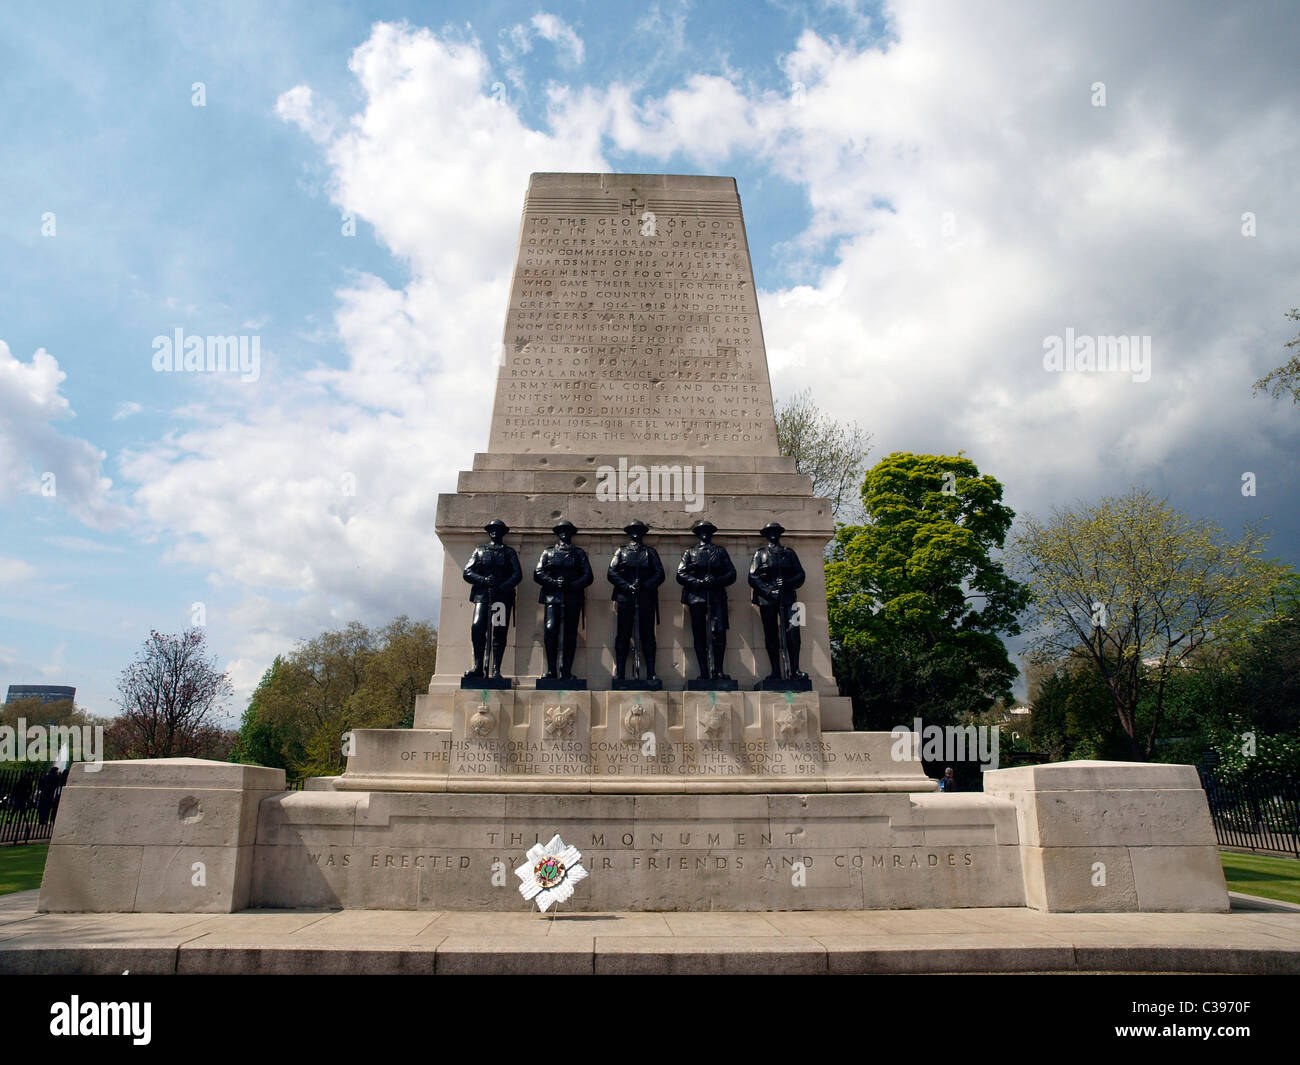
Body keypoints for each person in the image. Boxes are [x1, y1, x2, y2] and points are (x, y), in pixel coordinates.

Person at [676, 519, 737, 684]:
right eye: (701, 530)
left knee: (719, 633)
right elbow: (680, 574)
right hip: (696, 597)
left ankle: (718, 670)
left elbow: (731, 573)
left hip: (716, 595)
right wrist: (699, 582)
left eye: (708, 530)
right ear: (697, 533)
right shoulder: (690, 552)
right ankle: (703, 671)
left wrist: (716, 580)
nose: (705, 533)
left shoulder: (720, 551)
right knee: (699, 634)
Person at [461, 518, 523, 681]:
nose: (495, 531)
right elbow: (468, 572)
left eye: (498, 529)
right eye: (492, 529)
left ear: (503, 532)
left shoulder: (509, 552)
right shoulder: (480, 550)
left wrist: (503, 586)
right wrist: (483, 580)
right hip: (483, 596)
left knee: (499, 631)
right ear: (489, 532)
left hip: (501, 598)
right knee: (477, 627)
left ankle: (496, 669)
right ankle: (478, 666)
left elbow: (517, 574)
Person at [533, 520, 593, 681]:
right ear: (557, 533)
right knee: (550, 630)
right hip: (552, 597)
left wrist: (571, 585)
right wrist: (554, 583)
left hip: (572, 597)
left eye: (567, 531)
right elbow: (538, 573)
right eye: (561, 531)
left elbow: (588, 576)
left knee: (569, 634)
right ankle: (551, 670)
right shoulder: (548, 552)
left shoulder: (579, 553)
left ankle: (566, 671)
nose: (565, 533)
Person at [607, 520, 665, 685]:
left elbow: (659, 574)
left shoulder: (650, 552)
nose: (636, 533)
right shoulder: (621, 551)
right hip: (626, 597)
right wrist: (627, 586)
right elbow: (611, 572)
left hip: (645, 597)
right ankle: (620, 673)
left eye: (639, 530)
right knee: (623, 634)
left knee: (647, 635)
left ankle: (651, 672)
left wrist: (645, 586)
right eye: (633, 530)